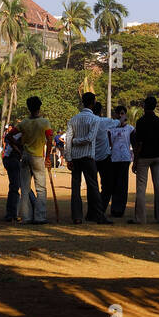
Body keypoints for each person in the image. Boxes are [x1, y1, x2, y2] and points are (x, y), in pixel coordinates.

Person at [65, 93, 109, 225]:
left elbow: (68, 140)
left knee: (75, 187)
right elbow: (90, 138)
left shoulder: (73, 119)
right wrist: (77, 141)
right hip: (88, 156)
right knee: (93, 187)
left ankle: (77, 216)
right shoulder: (95, 119)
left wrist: (69, 156)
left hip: (75, 157)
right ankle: (99, 215)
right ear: (93, 103)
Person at [130, 96, 159, 224]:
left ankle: (140, 218)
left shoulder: (141, 122)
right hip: (157, 156)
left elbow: (138, 143)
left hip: (144, 157)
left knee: (141, 188)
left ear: (145, 106)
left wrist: (135, 160)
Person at [15, 97, 52, 224]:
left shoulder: (23, 123)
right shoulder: (44, 122)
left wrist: (19, 148)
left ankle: (26, 217)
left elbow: (9, 136)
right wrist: (48, 157)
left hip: (25, 156)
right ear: (39, 107)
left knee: (25, 188)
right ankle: (40, 217)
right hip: (38, 157)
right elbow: (50, 139)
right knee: (41, 188)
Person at [1, 121, 23, 222]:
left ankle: (12, 213)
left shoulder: (16, 134)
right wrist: (19, 150)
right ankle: (11, 214)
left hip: (10, 159)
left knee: (15, 186)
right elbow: (9, 139)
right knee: (15, 186)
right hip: (12, 159)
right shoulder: (19, 134)